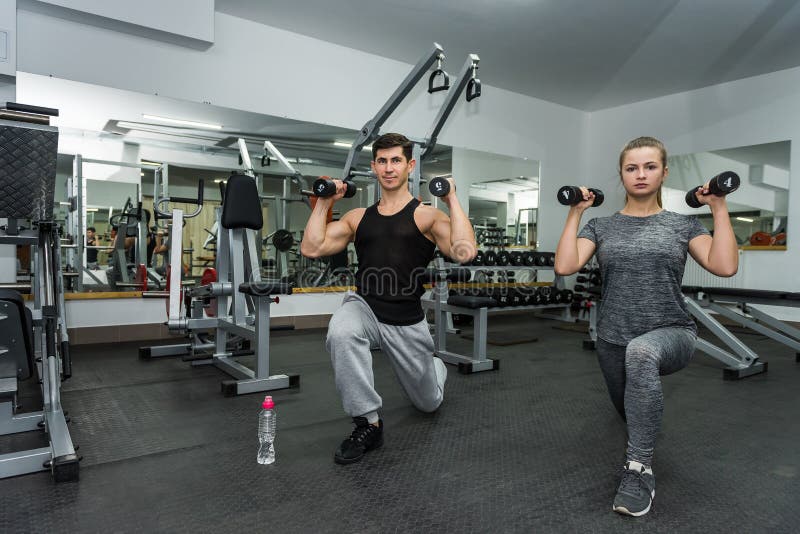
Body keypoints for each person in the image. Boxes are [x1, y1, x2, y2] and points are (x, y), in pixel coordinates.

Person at [554, 136, 738, 517]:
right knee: (630, 411)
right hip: (612, 339)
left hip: (672, 332)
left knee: (642, 354)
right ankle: (643, 433)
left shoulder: (682, 224)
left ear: (664, 172)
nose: (641, 174)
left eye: (650, 166)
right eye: (632, 168)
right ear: (621, 175)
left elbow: (724, 266)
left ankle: (638, 470)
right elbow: (565, 267)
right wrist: (575, 213)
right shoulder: (601, 226)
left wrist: (718, 207)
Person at [300, 132, 476, 465]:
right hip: (364, 306)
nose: (389, 168)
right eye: (382, 161)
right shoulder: (357, 217)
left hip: (407, 321)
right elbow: (312, 248)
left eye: (396, 160)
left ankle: (435, 369)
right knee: (341, 331)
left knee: (428, 403)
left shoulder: (426, 215)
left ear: (409, 166)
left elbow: (464, 252)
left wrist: (452, 198)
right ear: (374, 167)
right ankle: (368, 423)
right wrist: (325, 201)